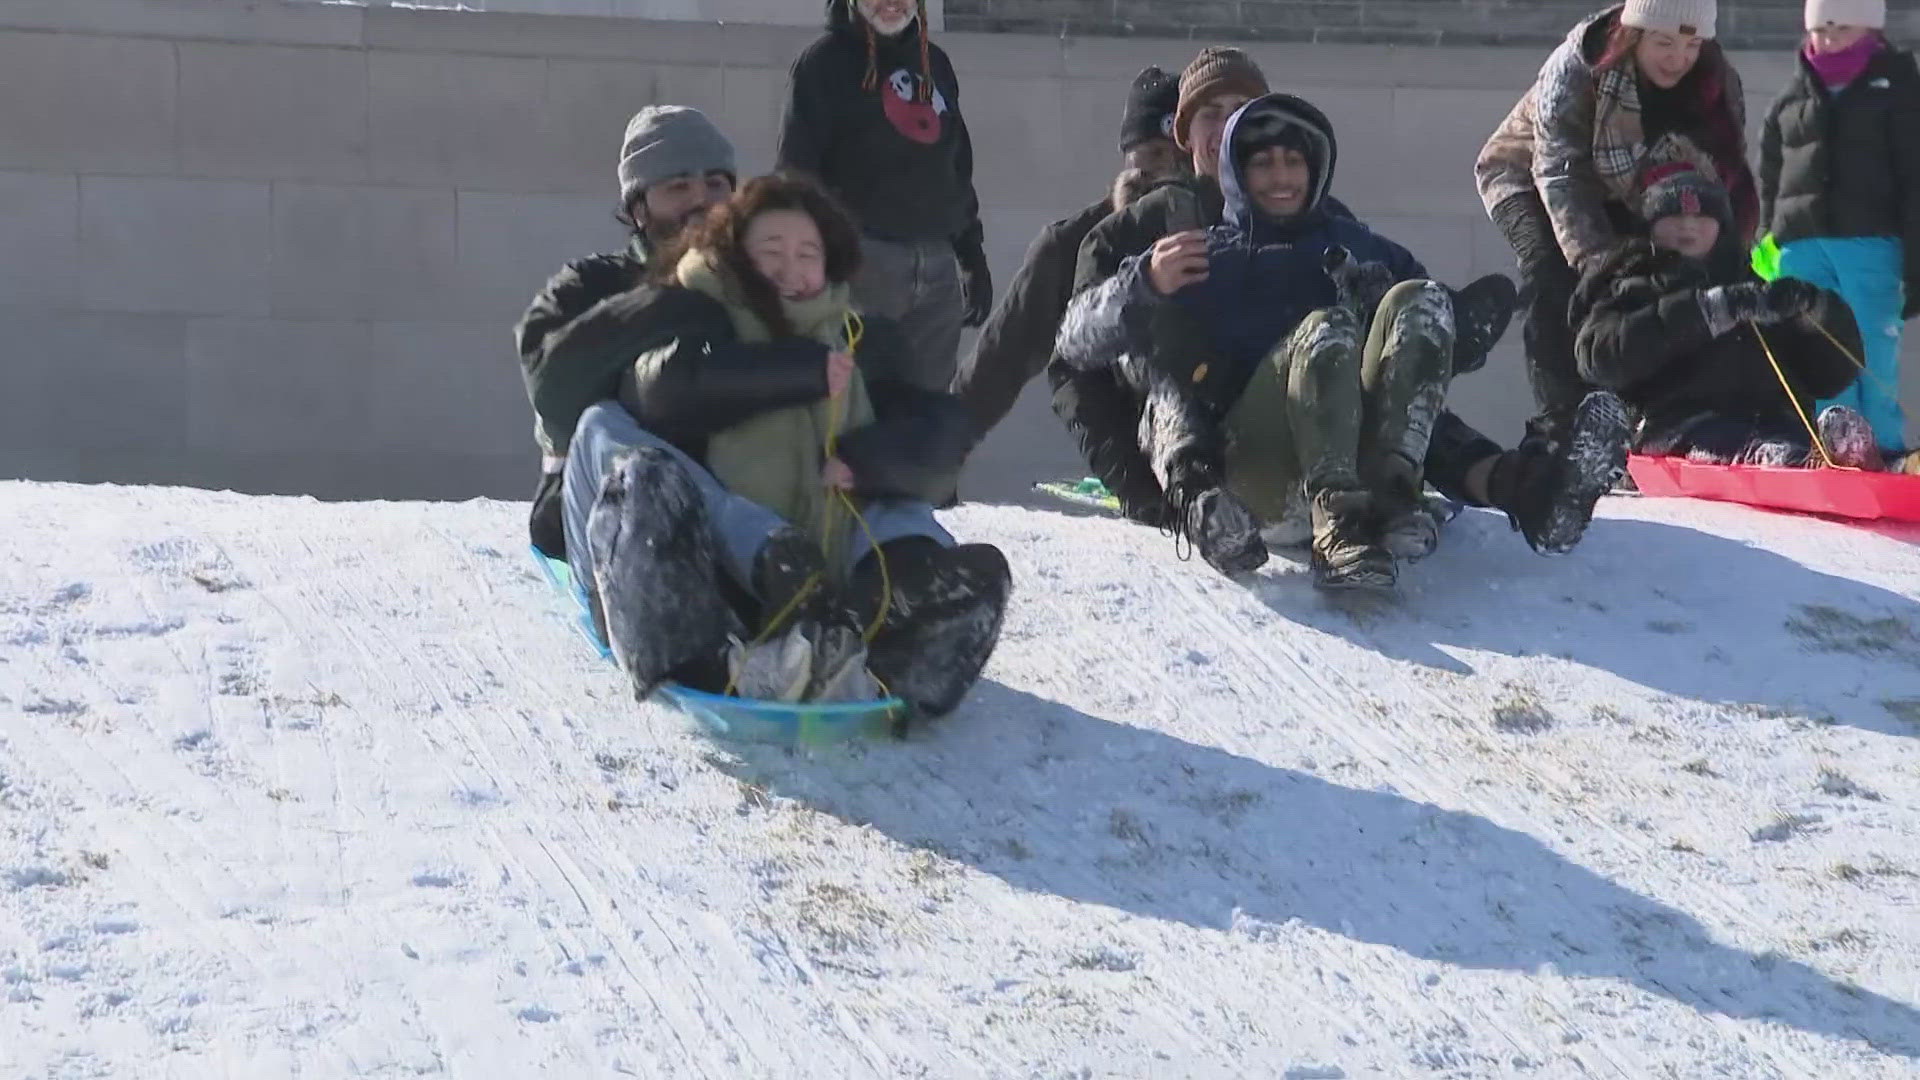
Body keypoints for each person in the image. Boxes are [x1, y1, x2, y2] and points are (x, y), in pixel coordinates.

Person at [1058, 49, 1618, 560]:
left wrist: (1443, 317)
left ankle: (1521, 487)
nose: (1277, 174)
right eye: (1213, 115)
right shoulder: (1153, 234)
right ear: (1189, 135)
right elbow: (1078, 354)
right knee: (1179, 359)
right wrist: (1140, 492)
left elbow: (1404, 339)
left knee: (1382, 340)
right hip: (1220, 439)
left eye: (1243, 111)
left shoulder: (1331, 231)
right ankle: (1208, 503)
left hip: (1339, 420)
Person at [551, 174, 1011, 719]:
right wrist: (801, 372)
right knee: (622, 445)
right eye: (772, 252)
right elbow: (663, 389)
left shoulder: (858, 337)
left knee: (892, 493)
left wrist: (867, 462)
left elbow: (940, 429)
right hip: (693, 572)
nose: (791, 270)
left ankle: (896, 610)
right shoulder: (690, 312)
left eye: (807, 253)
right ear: (736, 256)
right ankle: (727, 648)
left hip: (817, 572)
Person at [1058, 93, 1508, 591]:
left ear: (1315, 170)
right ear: (1236, 171)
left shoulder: (1354, 246)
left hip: (1362, 466)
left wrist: (1434, 320)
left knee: (1419, 298)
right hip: (1263, 477)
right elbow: (1077, 343)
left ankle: (1394, 493)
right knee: (1325, 329)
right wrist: (1144, 282)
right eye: (1263, 163)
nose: (1281, 177)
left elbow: (1431, 333)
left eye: (1294, 162)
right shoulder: (1206, 255)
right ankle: (1337, 527)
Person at [1477, 0, 1754, 453]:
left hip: (1636, 190)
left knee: (1667, 279)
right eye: (1664, 43)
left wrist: (1733, 258)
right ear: (1635, 35)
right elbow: (1560, 172)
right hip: (1529, 177)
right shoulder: (1578, 65)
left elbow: (1724, 180)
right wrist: (1596, 265)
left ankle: (1654, 418)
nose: (1678, 58)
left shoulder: (1716, 83)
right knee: (1557, 279)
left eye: (1692, 45)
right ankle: (1559, 427)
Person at [516, 105, 738, 561]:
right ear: (638, 208)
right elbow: (554, 390)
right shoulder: (586, 287)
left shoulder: (763, 281)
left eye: (716, 184)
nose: (701, 200)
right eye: (678, 186)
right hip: (604, 509)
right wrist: (676, 298)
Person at [1571, 163, 1881, 468]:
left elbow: (1829, 378)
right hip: (1675, 428)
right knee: (1733, 441)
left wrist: (1815, 312)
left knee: (1787, 436)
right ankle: (1784, 462)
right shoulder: (1633, 287)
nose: (1687, 225)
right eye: (1673, 216)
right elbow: (1599, 357)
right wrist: (1710, 310)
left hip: (1773, 421)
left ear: (1723, 227)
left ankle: (1835, 454)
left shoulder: (1754, 293)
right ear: (1650, 227)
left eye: (1701, 216)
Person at [949, 65, 1184, 436]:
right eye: (1154, 155)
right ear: (1128, 159)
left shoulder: (1226, 225)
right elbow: (998, 364)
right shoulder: (1074, 245)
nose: (1167, 171)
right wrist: (934, 454)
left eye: (1180, 157)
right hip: (1121, 435)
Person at [777, 0, 989, 395]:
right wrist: (812, 262)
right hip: (861, 263)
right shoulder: (823, 63)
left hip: (937, 265)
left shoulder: (935, 65)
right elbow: (796, 177)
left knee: (924, 420)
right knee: (853, 408)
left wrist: (970, 252)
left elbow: (956, 165)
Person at [1760, 0, 1920, 456]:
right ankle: (1831, 444)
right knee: (1817, 349)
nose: (1828, 40)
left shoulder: (1899, 91)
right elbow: (1771, 179)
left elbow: (1914, 178)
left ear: (1870, 29)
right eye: (1821, 30)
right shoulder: (1791, 99)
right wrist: (1768, 243)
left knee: (1871, 348)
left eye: (1841, 29)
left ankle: (1884, 445)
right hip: (1801, 245)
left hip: (1871, 240)